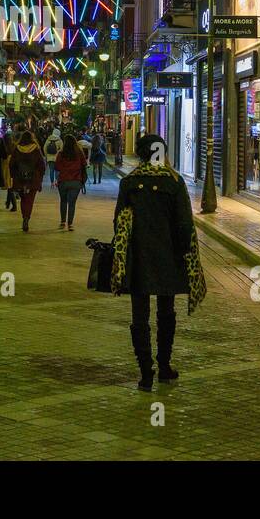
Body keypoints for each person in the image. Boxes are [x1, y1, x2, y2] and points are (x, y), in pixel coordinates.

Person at [110, 133, 207, 391]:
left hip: (137, 257)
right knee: (166, 312)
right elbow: (185, 224)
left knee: (139, 316)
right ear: (162, 153)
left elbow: (119, 222)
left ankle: (145, 373)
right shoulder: (174, 182)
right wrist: (186, 255)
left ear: (140, 154)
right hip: (169, 257)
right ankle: (164, 366)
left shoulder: (130, 183)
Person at [8, 128, 46, 233]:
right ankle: (26, 218)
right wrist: (40, 177)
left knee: (23, 199)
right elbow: (42, 165)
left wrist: (13, 176)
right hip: (33, 179)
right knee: (30, 200)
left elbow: (11, 164)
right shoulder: (36, 149)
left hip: (20, 179)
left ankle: (24, 217)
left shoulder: (17, 149)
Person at [54, 134, 86, 231]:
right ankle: (70, 224)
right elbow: (84, 164)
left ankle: (63, 222)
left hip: (63, 181)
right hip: (76, 181)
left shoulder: (61, 154)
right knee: (72, 203)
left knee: (63, 201)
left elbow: (57, 167)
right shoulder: (79, 153)